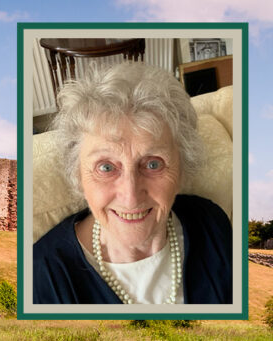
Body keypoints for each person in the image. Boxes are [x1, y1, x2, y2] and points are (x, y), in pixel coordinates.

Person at [33, 62, 232, 304]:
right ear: (78, 175)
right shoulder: (40, 274)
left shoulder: (212, 224)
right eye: (106, 167)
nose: (131, 196)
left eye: (153, 164)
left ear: (182, 167)